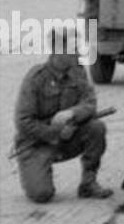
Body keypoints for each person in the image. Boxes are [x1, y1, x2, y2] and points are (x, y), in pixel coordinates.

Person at [14, 23, 111, 202]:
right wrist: (55, 132)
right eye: (74, 48)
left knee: (96, 128)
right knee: (41, 195)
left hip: (68, 139)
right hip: (36, 144)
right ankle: (36, 169)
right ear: (59, 50)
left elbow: (90, 103)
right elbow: (23, 121)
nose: (79, 52)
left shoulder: (78, 72)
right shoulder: (36, 78)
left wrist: (72, 113)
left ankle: (88, 184)